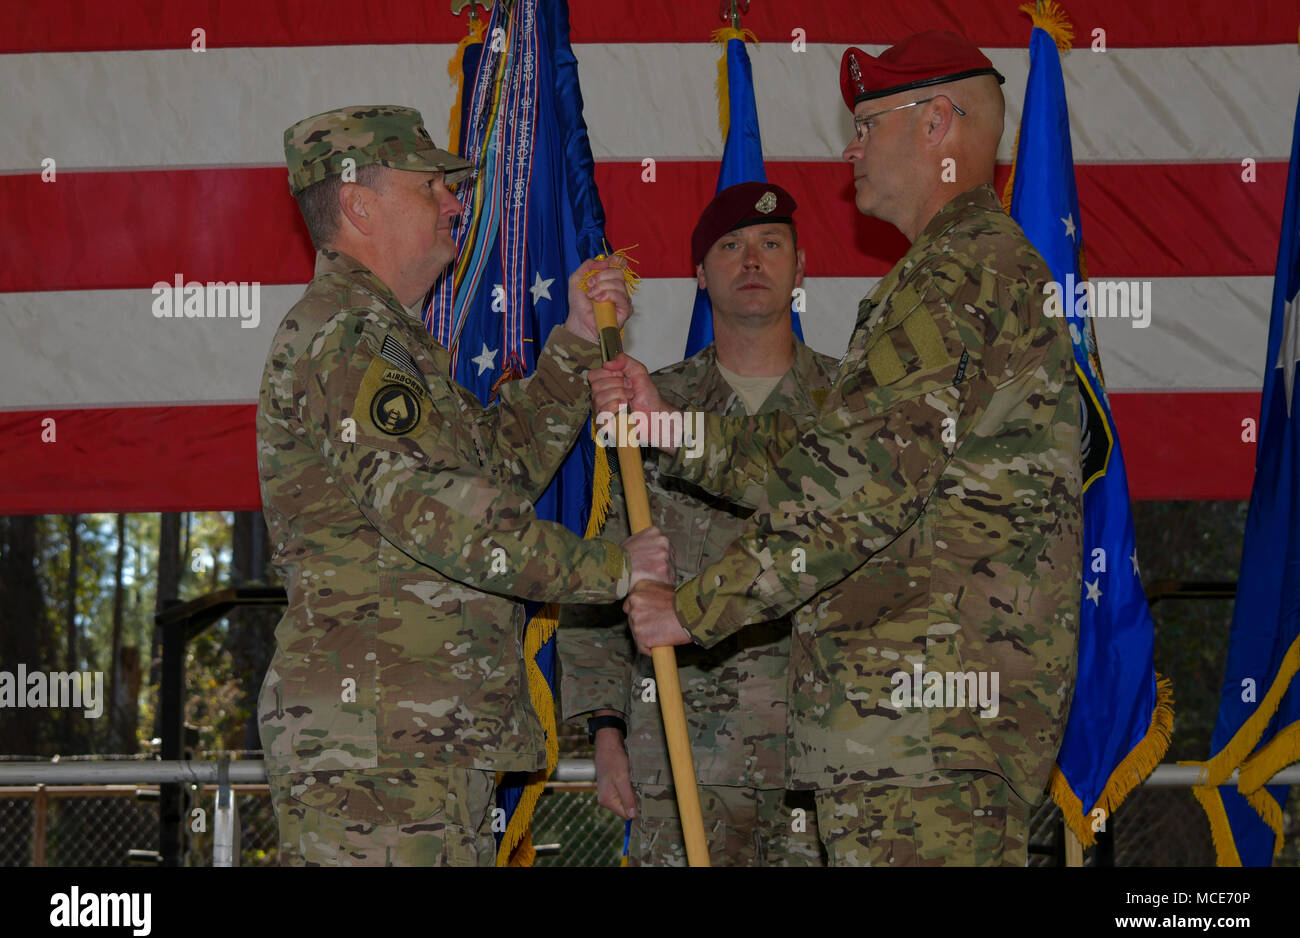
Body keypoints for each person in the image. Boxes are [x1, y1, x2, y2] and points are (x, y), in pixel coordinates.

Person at [595, 32, 1083, 866]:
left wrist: (695, 608)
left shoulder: (961, 275)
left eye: (868, 124)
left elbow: (855, 492)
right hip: (913, 735)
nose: (849, 148)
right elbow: (831, 451)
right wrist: (668, 423)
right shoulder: (953, 270)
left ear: (936, 125)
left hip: (924, 734)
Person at [257, 105, 671, 866]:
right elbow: (436, 512)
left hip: (418, 739)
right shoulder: (346, 336)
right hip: (380, 748)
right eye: (432, 188)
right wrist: (615, 571)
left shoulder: (387, 339)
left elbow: (493, 473)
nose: (457, 203)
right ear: (358, 203)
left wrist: (576, 345)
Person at [559, 182, 837, 866]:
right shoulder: (649, 406)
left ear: (800, 271)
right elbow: (604, 565)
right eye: (730, 247)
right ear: (698, 276)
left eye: (772, 246)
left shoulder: (852, 407)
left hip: (826, 755)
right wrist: (606, 730)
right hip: (683, 754)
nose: (751, 262)